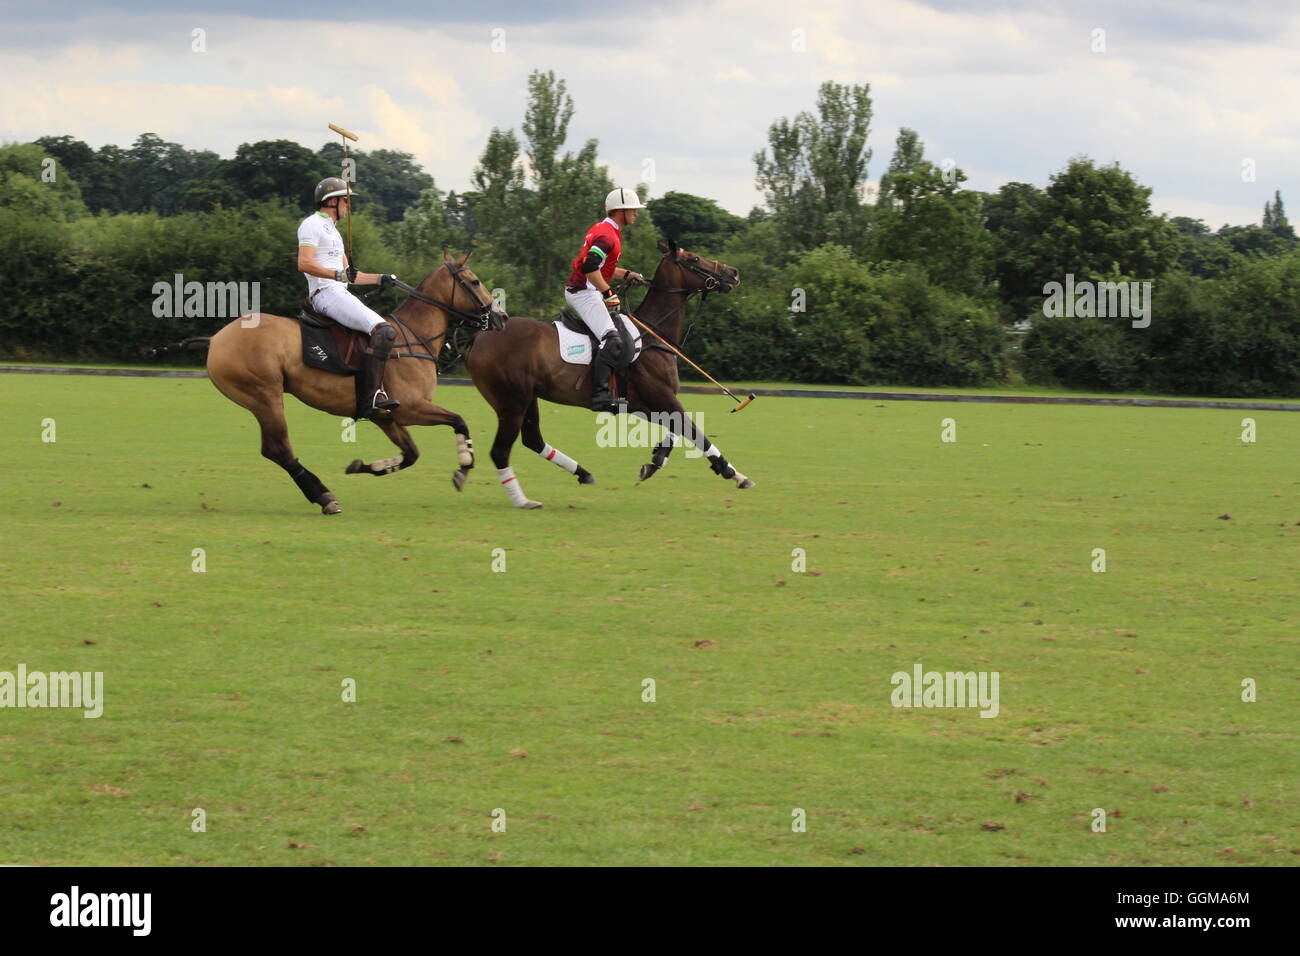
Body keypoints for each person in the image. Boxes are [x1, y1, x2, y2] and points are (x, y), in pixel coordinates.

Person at [298, 177, 399, 420]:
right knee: (383, 331)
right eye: (346, 200)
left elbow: (352, 277)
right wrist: (337, 274)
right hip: (325, 293)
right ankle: (372, 397)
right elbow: (304, 263)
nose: (348, 206)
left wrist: (381, 278)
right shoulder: (311, 224)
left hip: (340, 291)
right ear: (332, 201)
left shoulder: (334, 231)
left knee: (379, 332)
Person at [564, 187, 648, 412]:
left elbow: (601, 266)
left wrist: (626, 273)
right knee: (613, 340)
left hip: (587, 288)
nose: (636, 214)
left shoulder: (608, 230)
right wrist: (608, 293)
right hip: (583, 291)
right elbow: (590, 266)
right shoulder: (607, 235)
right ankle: (600, 396)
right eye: (633, 210)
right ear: (621, 211)